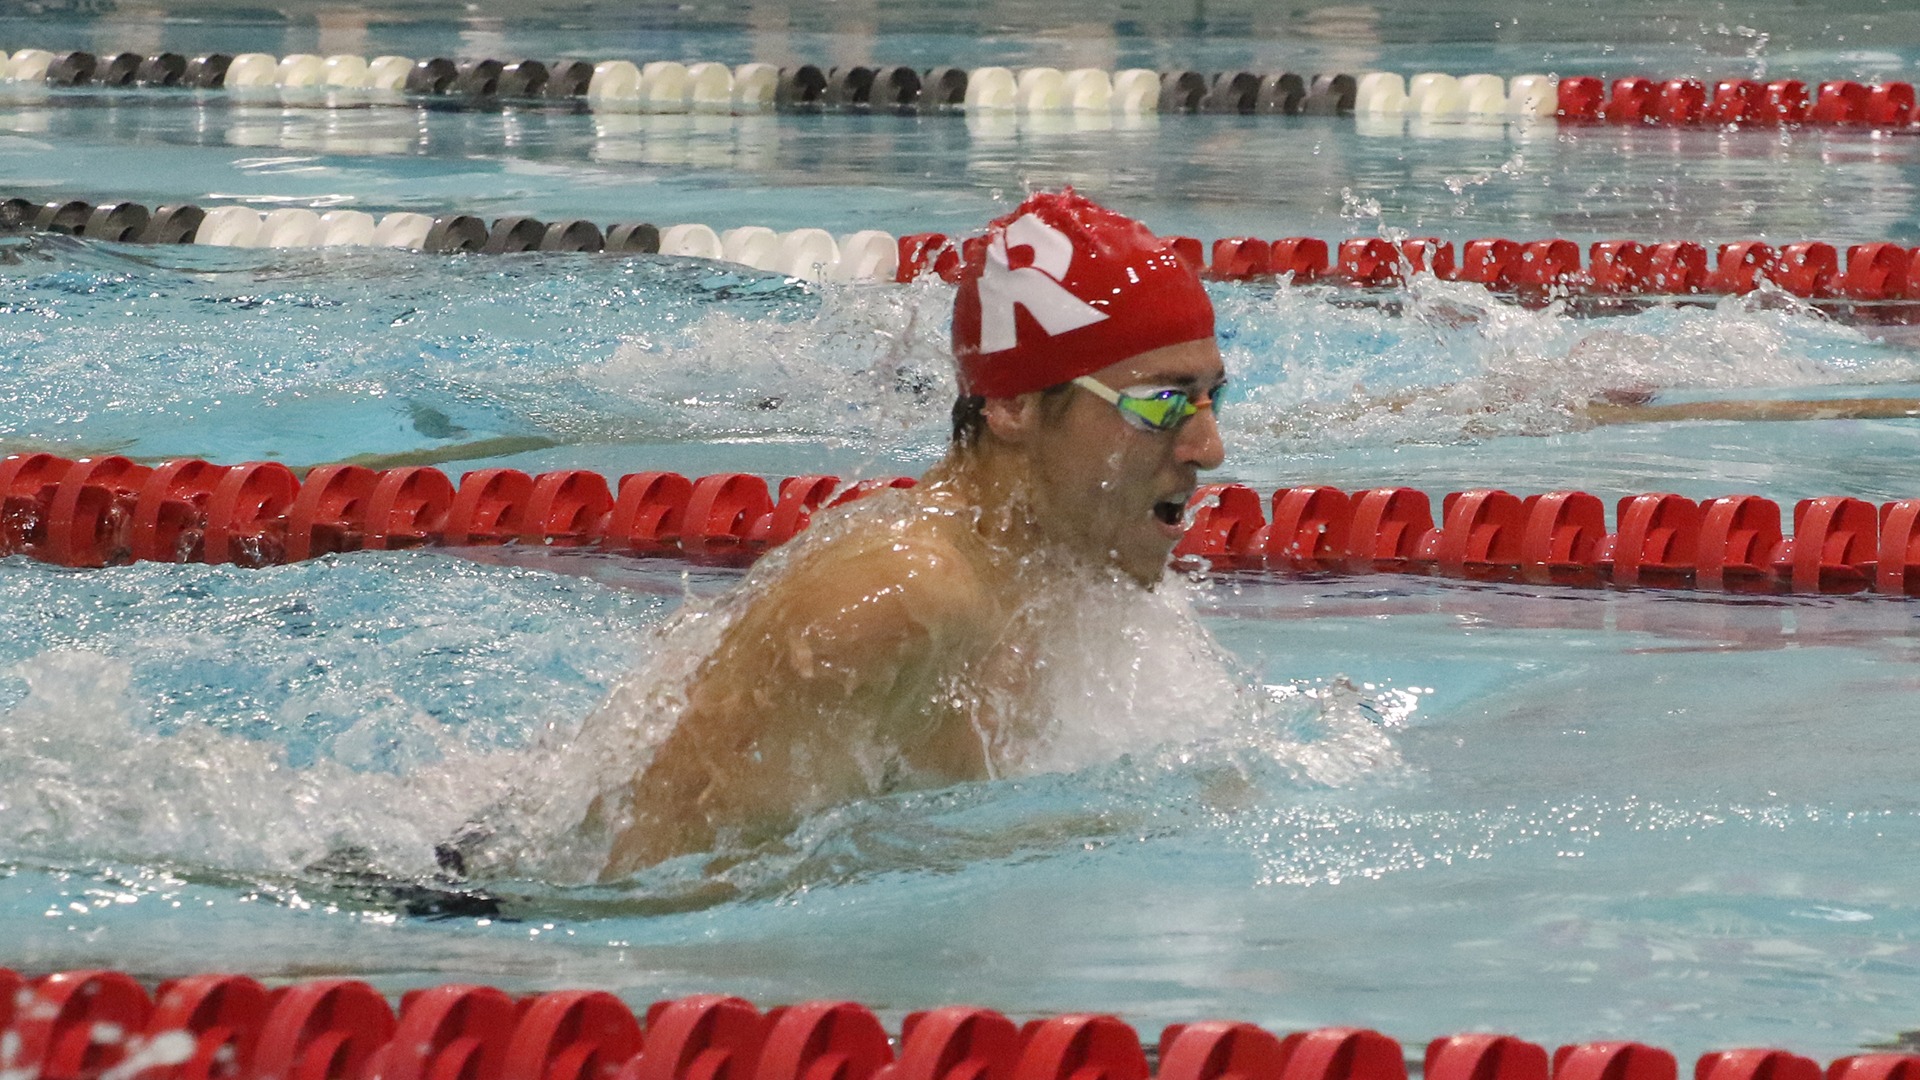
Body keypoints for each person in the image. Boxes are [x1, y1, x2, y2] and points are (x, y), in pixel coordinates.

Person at [581, 190, 1230, 879]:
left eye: (1211, 396)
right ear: (1014, 404)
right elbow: (655, 886)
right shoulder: (895, 601)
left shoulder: (1070, 568)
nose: (1209, 448)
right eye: (1161, 404)